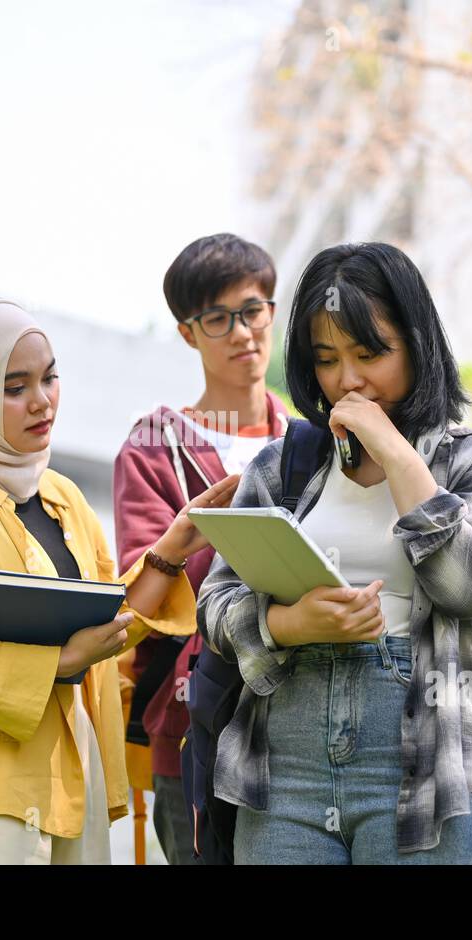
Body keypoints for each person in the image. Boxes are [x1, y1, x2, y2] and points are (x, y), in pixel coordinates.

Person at [0, 292, 239, 864]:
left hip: (68, 784)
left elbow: (103, 627)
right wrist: (55, 662)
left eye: (50, 379)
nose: (42, 402)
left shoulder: (61, 496)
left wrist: (171, 550)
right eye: (15, 388)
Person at [196, 242, 472, 864]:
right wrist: (286, 624)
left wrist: (395, 452)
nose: (347, 380)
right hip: (281, 772)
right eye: (327, 359)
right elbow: (214, 602)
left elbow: (467, 587)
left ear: (418, 344)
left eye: (370, 354)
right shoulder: (282, 464)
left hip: (429, 767)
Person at [112, 233, 289, 864]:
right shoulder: (157, 443)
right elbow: (142, 590)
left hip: (298, 722)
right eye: (218, 319)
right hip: (192, 724)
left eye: (254, 310)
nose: (243, 332)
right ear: (188, 333)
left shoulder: (307, 437)